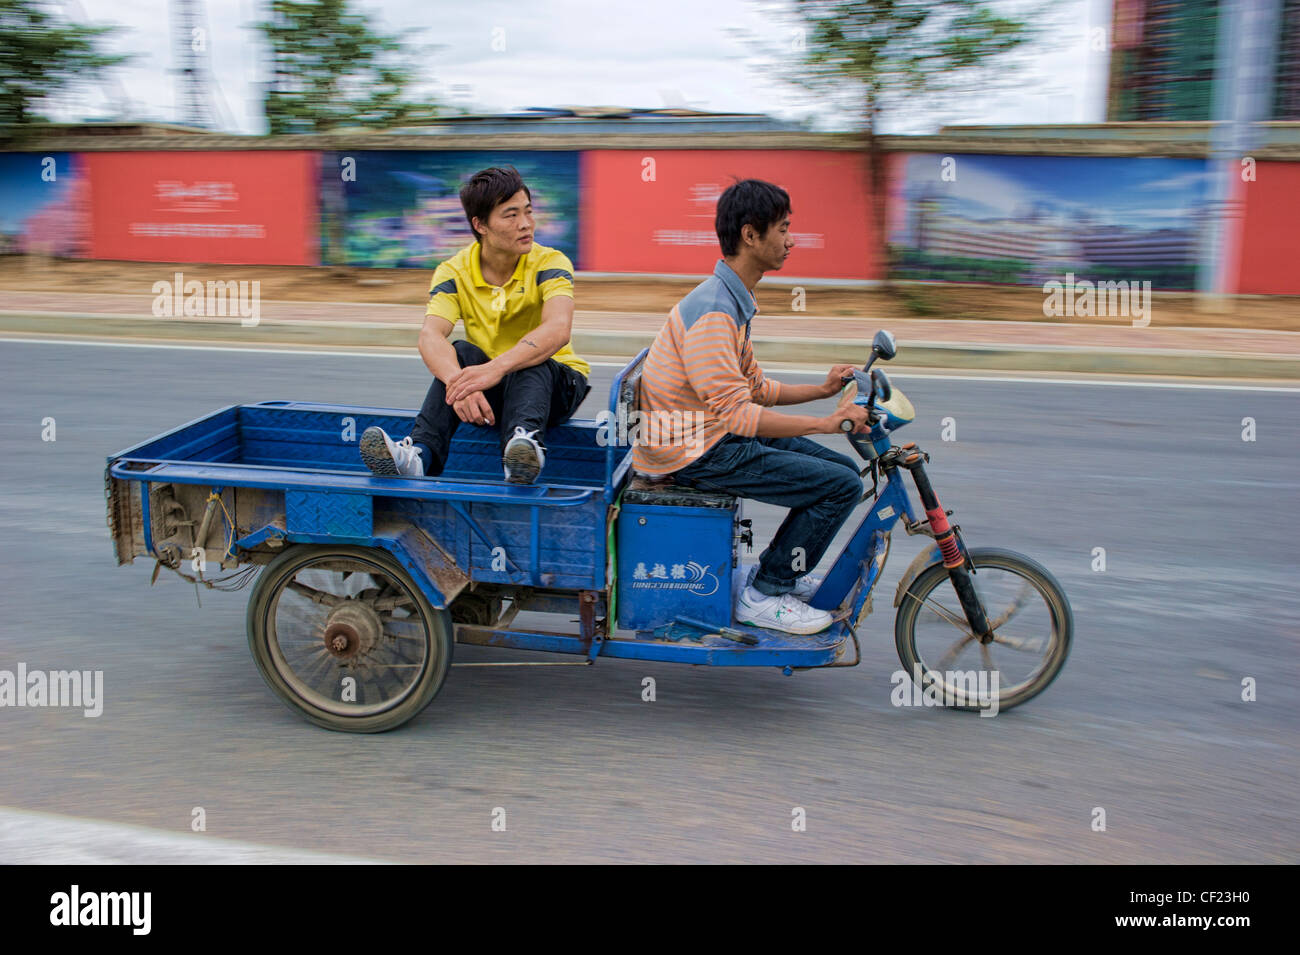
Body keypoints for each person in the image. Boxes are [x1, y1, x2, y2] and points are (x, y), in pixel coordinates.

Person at [631, 179, 871, 636]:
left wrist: (822, 391)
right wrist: (828, 422)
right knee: (839, 486)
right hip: (695, 452)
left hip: (712, 435)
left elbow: (755, 391)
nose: (791, 240)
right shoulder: (714, 313)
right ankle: (764, 593)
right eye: (783, 228)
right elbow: (739, 415)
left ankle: (779, 574)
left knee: (841, 473)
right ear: (750, 235)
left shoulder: (733, 300)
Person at [360, 166, 590, 484]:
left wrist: (495, 369)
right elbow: (430, 335)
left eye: (528, 211)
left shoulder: (550, 262)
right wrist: (459, 383)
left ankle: (524, 451)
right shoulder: (453, 271)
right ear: (480, 225)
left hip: (557, 386)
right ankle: (420, 456)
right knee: (460, 352)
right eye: (510, 215)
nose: (526, 224)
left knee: (529, 357)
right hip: (494, 389)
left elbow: (557, 328)